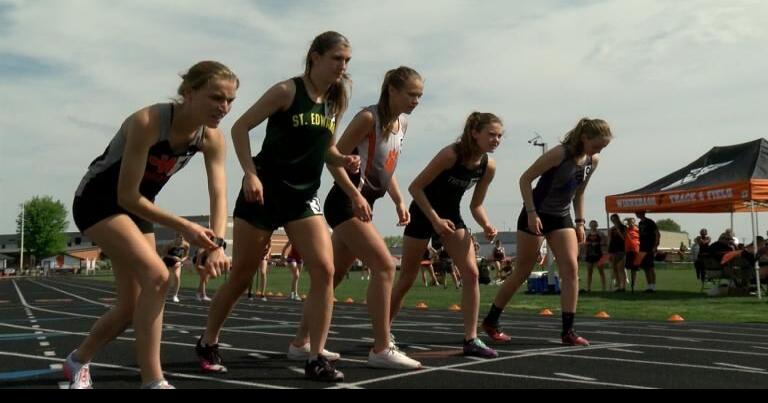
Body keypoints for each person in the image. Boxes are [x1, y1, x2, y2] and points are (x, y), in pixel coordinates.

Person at [65, 61, 238, 389]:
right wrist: (185, 227)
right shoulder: (148, 122)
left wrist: (216, 245)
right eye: (216, 97)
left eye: (230, 101)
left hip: (138, 207)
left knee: (130, 308)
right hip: (99, 201)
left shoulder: (212, 139)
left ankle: (77, 361)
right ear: (188, 93)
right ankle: (153, 380)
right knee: (158, 276)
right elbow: (126, 195)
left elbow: (219, 194)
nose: (224, 107)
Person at [196, 31, 356, 383]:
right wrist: (249, 174)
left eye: (347, 61)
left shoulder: (335, 100)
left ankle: (315, 356)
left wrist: (343, 158)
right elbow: (240, 128)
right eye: (337, 59)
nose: (342, 66)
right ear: (315, 57)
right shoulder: (287, 91)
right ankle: (208, 341)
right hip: (264, 194)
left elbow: (325, 148)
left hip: (302, 197)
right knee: (241, 275)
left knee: (325, 271)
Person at [293, 66, 424, 370]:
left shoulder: (403, 124)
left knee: (334, 276)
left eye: (420, 95)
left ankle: (300, 343)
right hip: (344, 204)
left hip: (364, 204)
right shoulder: (369, 118)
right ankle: (381, 347)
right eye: (411, 94)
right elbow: (331, 157)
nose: (416, 101)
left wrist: (399, 199)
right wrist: (354, 195)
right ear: (391, 89)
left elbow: (382, 166)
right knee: (384, 265)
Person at [482, 118, 612, 346]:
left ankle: (568, 331)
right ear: (584, 138)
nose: (599, 151)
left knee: (571, 268)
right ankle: (491, 320)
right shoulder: (559, 154)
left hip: (561, 216)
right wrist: (532, 213)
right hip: (537, 212)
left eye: (603, 148)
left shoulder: (593, 160)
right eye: (596, 146)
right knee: (523, 269)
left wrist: (580, 221)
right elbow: (525, 179)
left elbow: (580, 192)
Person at [390, 112, 504, 359]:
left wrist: (486, 224)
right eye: (492, 134)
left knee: (472, 274)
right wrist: (434, 220)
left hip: (451, 217)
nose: (497, 140)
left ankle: (471, 338)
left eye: (500, 136)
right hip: (423, 213)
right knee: (407, 278)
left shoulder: (488, 166)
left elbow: (476, 204)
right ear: (475, 132)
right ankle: (383, 331)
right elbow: (415, 187)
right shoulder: (451, 154)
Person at [636, 211, 659, 293]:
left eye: (638, 212)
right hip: (642, 248)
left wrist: (655, 246)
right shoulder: (639, 223)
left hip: (650, 247)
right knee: (645, 267)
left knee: (650, 267)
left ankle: (653, 286)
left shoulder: (650, 222)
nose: (637, 214)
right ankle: (649, 286)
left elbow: (657, 233)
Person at [163, 233, 190, 303]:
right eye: (180, 238)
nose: (182, 240)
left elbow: (186, 255)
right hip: (168, 260)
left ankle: (175, 295)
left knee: (177, 277)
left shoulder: (186, 245)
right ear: (176, 238)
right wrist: (173, 257)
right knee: (167, 278)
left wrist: (181, 260)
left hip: (177, 262)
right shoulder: (170, 244)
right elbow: (164, 254)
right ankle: (164, 293)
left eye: (183, 239)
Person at [583, 220, 605, 292]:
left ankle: (603, 287)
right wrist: (585, 251)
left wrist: (597, 243)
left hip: (598, 254)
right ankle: (588, 288)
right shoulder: (587, 233)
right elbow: (585, 243)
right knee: (589, 271)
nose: (593, 226)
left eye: (594, 224)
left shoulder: (600, 233)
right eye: (591, 224)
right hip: (589, 254)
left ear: (596, 225)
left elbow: (603, 242)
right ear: (589, 225)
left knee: (601, 271)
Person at [608, 214, 627, 292]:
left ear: (618, 219)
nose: (614, 221)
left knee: (620, 269)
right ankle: (618, 286)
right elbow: (609, 240)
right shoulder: (611, 229)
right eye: (612, 220)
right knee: (614, 268)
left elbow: (624, 238)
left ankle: (623, 286)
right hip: (613, 250)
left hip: (621, 250)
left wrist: (618, 230)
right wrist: (608, 250)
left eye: (615, 219)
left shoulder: (624, 228)